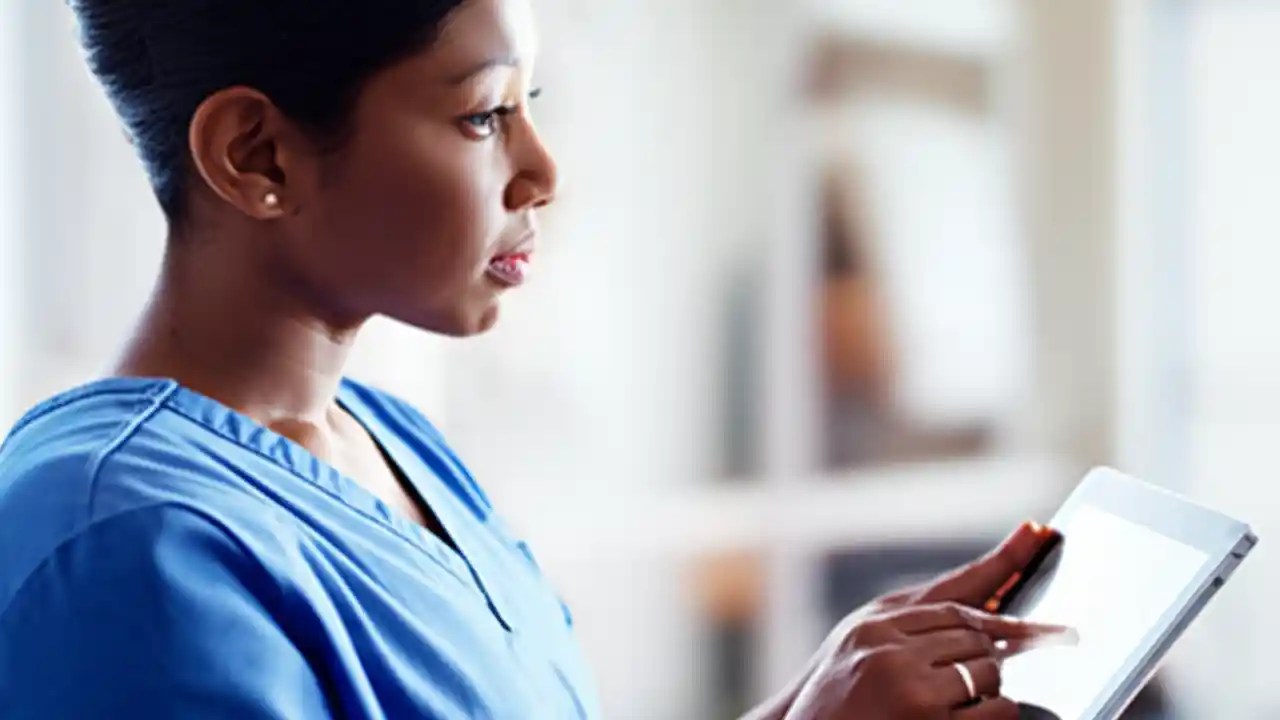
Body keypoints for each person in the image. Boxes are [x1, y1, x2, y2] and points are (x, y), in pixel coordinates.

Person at [0, 1, 1070, 717]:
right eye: (479, 115)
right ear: (257, 154)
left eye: (530, 106)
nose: (540, 171)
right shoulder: (127, 549)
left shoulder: (390, 444)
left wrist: (819, 697)